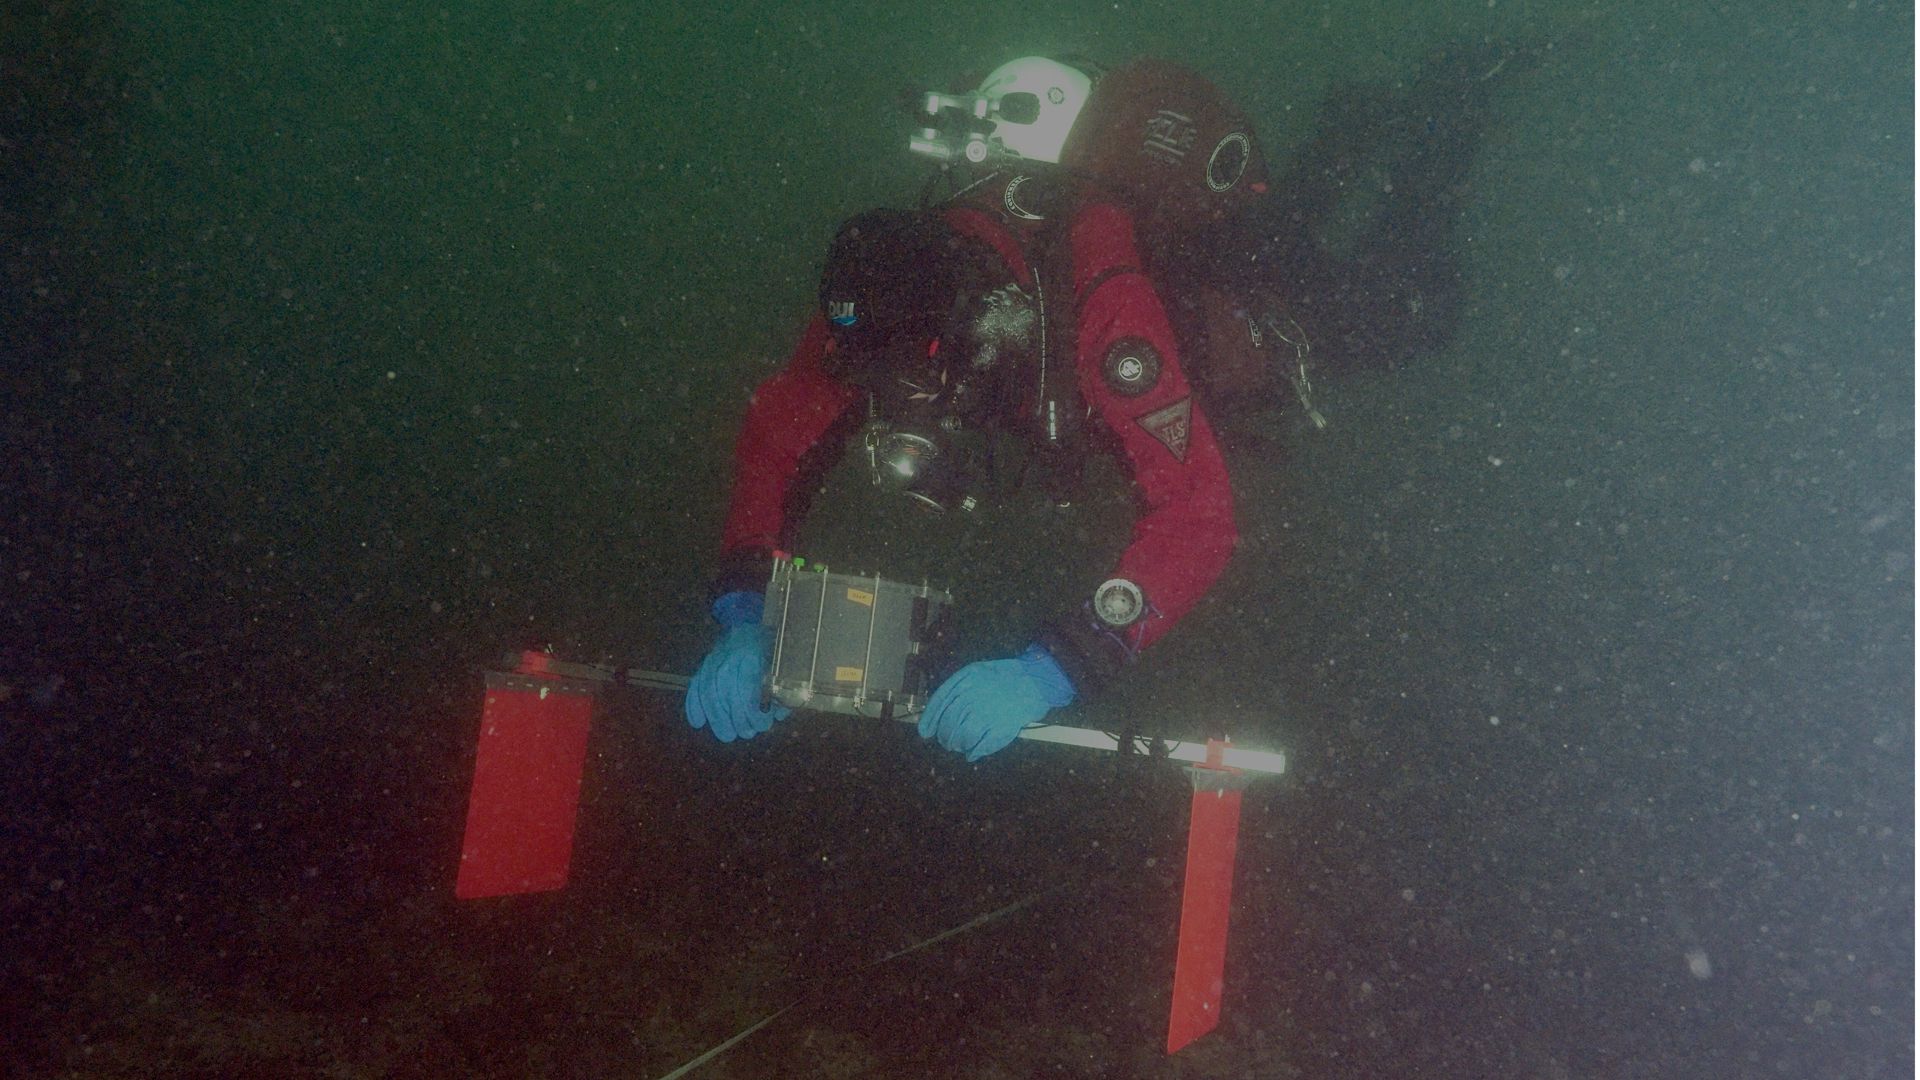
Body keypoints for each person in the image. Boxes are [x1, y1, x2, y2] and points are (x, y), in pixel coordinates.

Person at [684, 56, 1257, 762]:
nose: (905, 405)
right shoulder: (892, 282)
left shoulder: (1093, 280)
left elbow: (1200, 515)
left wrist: (1057, 668)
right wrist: (744, 610)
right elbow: (777, 440)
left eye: (925, 374)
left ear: (983, 324)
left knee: (1375, 320)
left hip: (1243, 376)